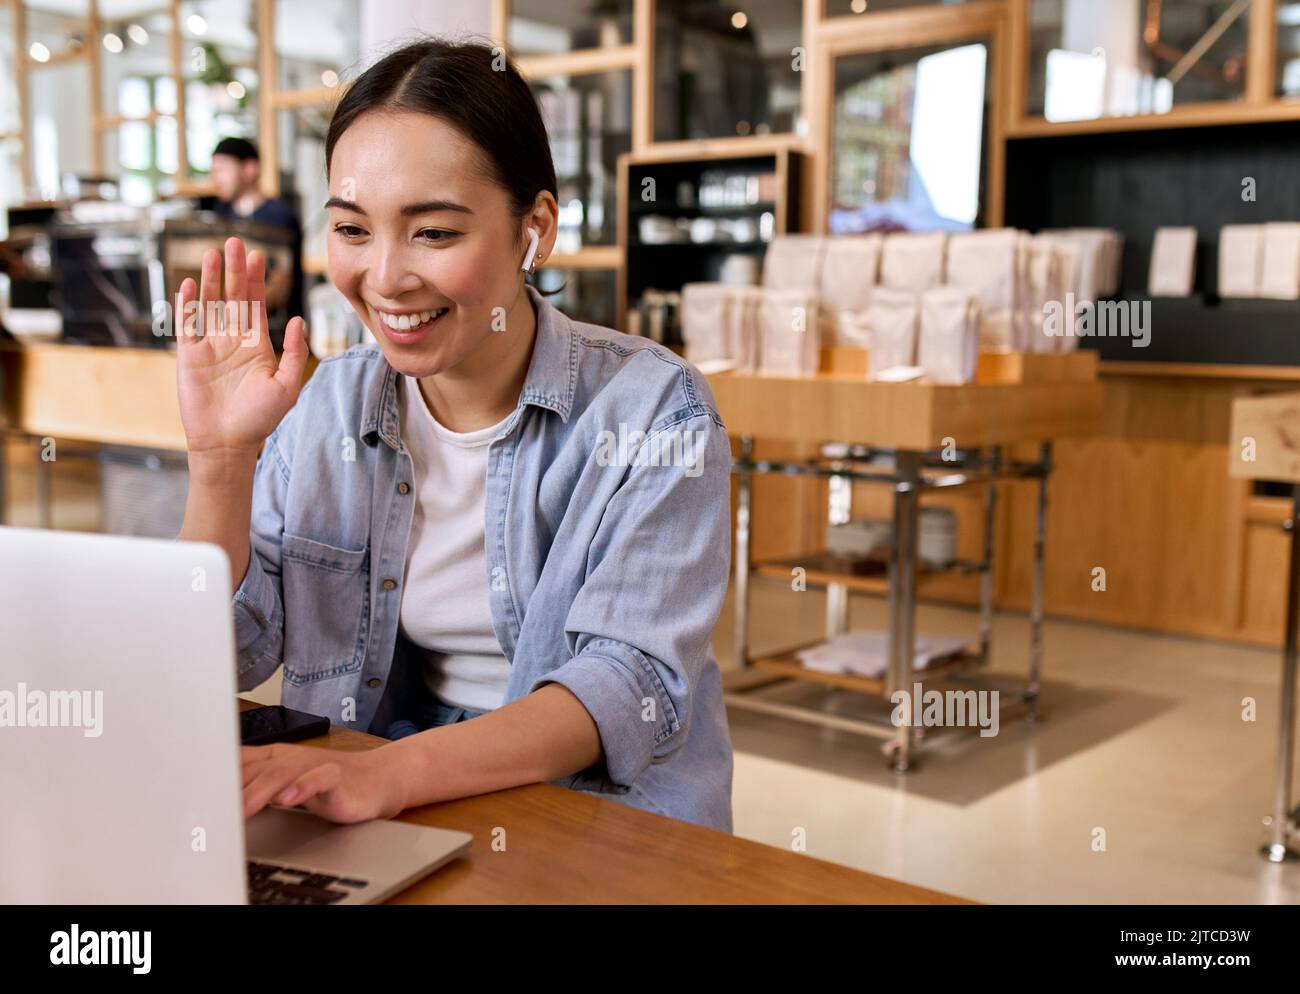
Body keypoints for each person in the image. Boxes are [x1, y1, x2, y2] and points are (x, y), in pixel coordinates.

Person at [175, 39, 735, 832]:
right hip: (381, 794)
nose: (384, 278)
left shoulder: (654, 411)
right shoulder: (331, 403)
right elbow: (229, 652)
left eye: (433, 233)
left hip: (593, 816)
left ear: (534, 229)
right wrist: (221, 462)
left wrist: (388, 773)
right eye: (352, 229)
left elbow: (628, 683)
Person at [208, 136, 302, 317]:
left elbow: (281, 285)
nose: (215, 178)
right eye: (213, 171)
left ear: (250, 169)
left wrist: (237, 313)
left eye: (222, 169)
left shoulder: (278, 216)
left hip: (274, 325)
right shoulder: (223, 213)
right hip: (235, 321)